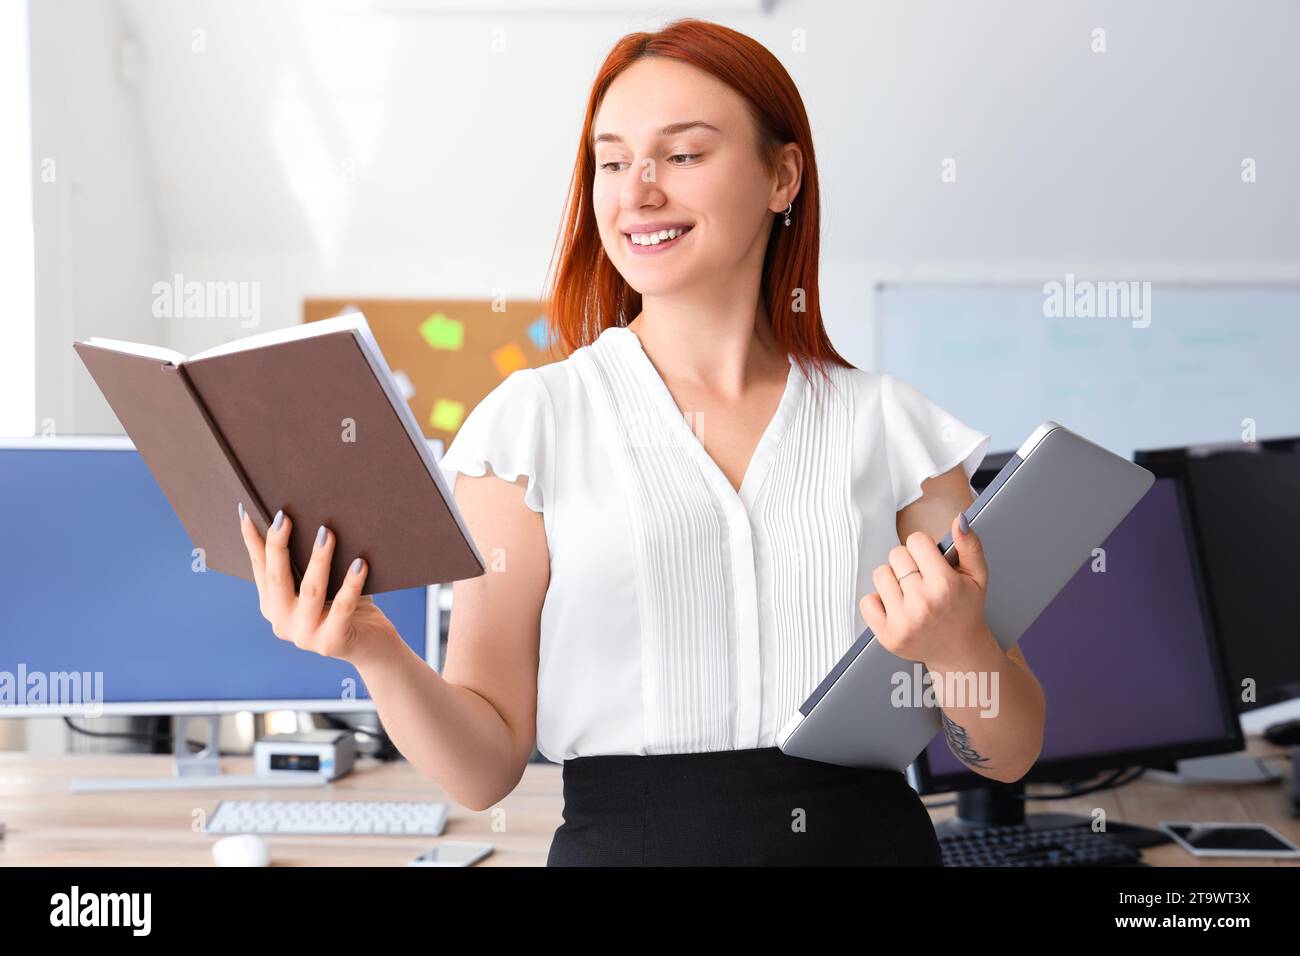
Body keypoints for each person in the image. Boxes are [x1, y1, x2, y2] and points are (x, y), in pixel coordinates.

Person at [237, 18, 1046, 866]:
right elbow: (483, 770)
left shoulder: (897, 431)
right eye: (613, 161)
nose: (637, 192)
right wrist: (372, 646)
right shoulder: (529, 427)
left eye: (683, 155)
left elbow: (1010, 750)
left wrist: (960, 647)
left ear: (782, 175)